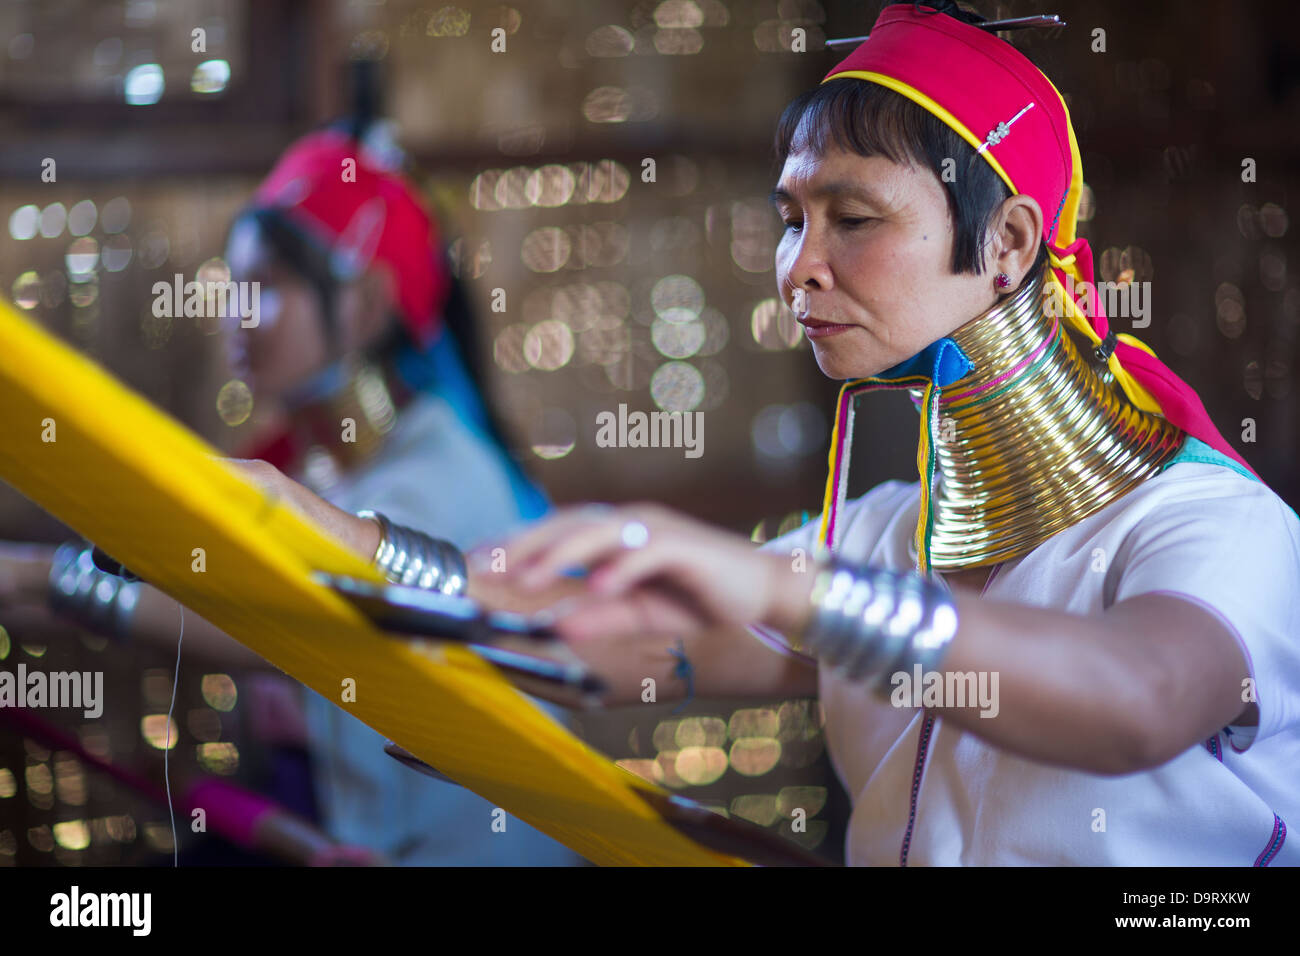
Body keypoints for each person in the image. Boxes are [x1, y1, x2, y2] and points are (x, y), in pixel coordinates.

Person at [456, 2, 1300, 866]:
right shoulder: (879, 536)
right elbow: (629, 639)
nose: (799, 266)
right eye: (792, 221)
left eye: (852, 219)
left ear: (1008, 242)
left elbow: (1139, 701)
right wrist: (346, 564)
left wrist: (791, 592)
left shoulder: (1212, 526)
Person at [0, 123, 582, 866]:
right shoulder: (320, 473)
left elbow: (292, 624)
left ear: (366, 306)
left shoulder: (438, 474)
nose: (236, 316)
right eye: (234, 285)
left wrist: (34, 577)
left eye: (267, 286)